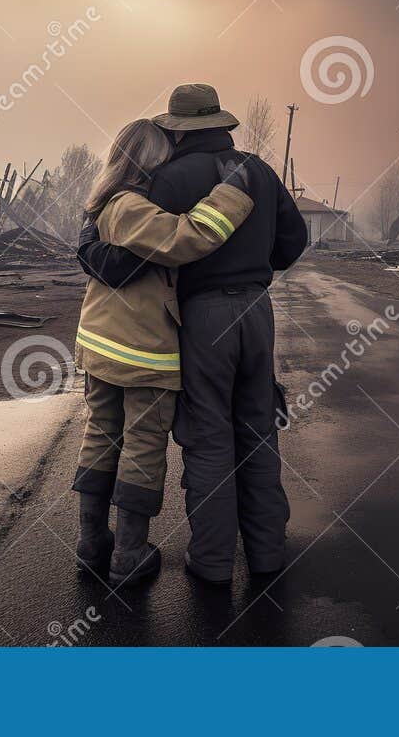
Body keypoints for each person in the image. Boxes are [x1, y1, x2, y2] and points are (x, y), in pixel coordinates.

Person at [80, 84, 308, 585]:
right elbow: (292, 244)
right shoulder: (259, 171)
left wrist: (87, 247)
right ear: (222, 123)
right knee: (259, 432)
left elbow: (129, 249)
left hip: (202, 318)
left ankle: (211, 563)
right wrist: (252, 262)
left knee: (208, 440)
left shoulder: (167, 178)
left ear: (178, 131)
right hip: (257, 311)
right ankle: (267, 555)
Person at [71, 119, 257, 588]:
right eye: (166, 152)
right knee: (143, 446)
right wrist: (231, 193)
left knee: (101, 435)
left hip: (101, 345)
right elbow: (186, 238)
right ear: (149, 159)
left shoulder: (103, 205)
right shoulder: (132, 206)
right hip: (142, 351)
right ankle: (128, 554)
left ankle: (91, 543)